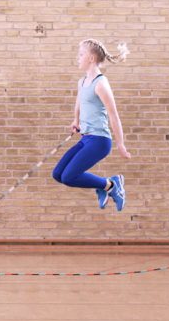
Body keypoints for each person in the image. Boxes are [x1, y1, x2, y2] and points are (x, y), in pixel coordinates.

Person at [52, 39, 131, 210]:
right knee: (58, 174)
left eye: (81, 54)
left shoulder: (101, 84)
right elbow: (79, 102)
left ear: (92, 58)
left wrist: (121, 145)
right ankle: (103, 186)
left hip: (100, 141)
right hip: (86, 139)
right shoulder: (82, 82)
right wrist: (76, 120)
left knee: (69, 177)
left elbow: (113, 114)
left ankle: (111, 185)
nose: (77, 58)